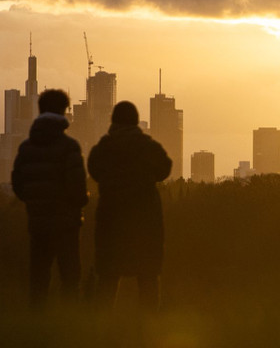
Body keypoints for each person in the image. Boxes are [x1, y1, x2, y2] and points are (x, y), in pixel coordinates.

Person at [87, 101, 172, 309]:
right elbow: (165, 169)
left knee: (108, 276)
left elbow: (94, 171)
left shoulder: (103, 148)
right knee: (148, 276)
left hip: (112, 220)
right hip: (145, 221)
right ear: (136, 121)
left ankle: (101, 330)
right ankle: (148, 330)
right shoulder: (148, 146)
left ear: (113, 121)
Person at [11, 89, 87, 306]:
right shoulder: (69, 147)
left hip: (38, 222)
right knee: (70, 277)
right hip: (67, 223)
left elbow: (18, 184)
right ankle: (68, 328)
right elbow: (78, 187)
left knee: (38, 277)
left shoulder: (26, 148)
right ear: (64, 112)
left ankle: (36, 328)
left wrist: (35, 202)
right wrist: (80, 204)